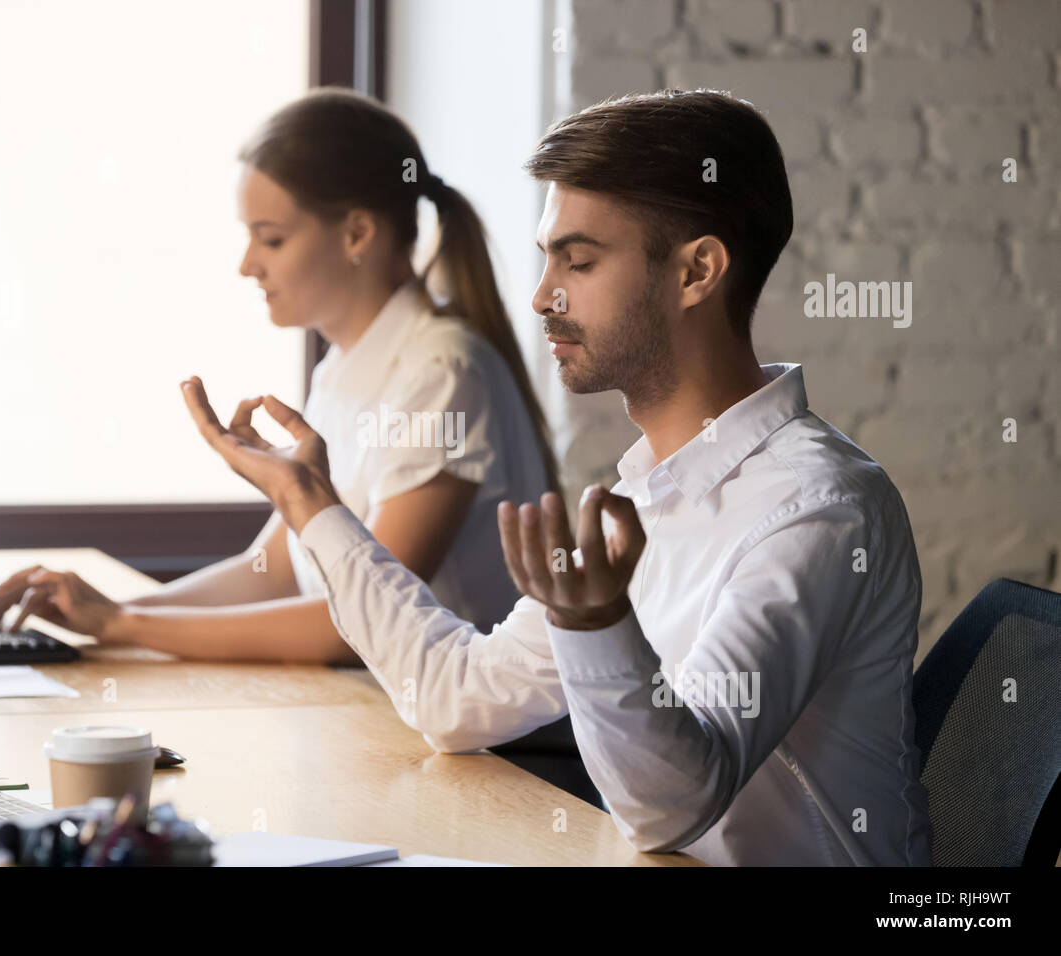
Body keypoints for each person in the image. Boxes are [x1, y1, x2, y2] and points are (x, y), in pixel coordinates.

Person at [179, 89, 934, 866]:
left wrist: (596, 624)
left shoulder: (817, 511)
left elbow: (675, 806)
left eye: (578, 261)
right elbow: (456, 698)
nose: (543, 297)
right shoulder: (644, 496)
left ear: (697, 271)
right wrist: (311, 505)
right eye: (547, 259)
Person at [0, 89, 558, 666]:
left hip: (495, 753)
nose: (247, 263)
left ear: (357, 234)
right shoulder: (347, 366)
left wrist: (127, 626)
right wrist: (106, 612)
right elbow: (277, 570)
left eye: (270, 237)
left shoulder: (443, 371)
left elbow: (367, 622)